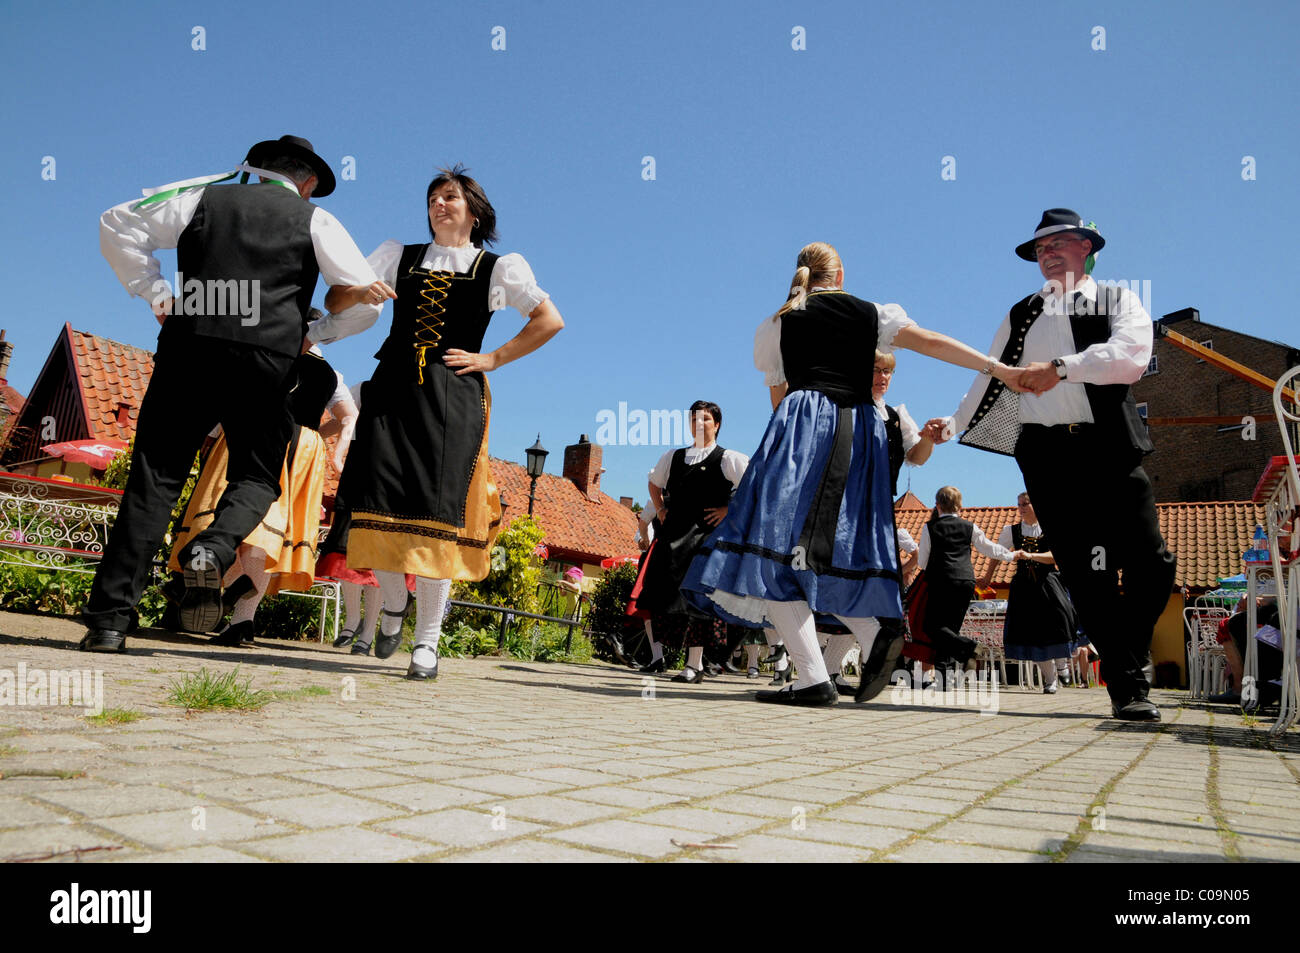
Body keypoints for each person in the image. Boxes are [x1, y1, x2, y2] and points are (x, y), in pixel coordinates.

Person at [681, 242, 1025, 706]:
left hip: (803, 426)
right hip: (859, 433)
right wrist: (997, 367)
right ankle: (868, 636)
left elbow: (779, 403)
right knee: (834, 546)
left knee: (771, 550)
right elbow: (931, 342)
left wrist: (784, 463)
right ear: (840, 274)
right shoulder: (873, 314)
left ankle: (814, 676)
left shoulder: (779, 322)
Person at [83, 135, 381, 652]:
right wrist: (318, 333)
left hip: (189, 347)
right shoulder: (317, 221)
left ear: (256, 168)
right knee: (260, 474)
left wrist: (157, 293)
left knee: (154, 478)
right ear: (307, 184)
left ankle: (110, 622)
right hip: (266, 360)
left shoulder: (203, 196)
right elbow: (367, 296)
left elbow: (116, 221)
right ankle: (216, 547)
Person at [927, 209, 1177, 721]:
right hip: (1048, 457)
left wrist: (1061, 369)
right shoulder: (1021, 313)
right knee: (1088, 575)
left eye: (1059, 242)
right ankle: (1129, 688)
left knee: (1153, 562)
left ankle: (1128, 650)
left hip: (1109, 447)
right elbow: (991, 374)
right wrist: (952, 423)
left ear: (1086, 247)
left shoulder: (1116, 299)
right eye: (1040, 248)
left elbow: (1130, 354)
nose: (1048, 253)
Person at [315, 164, 564, 680]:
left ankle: (426, 643)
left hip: (452, 397)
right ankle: (392, 603)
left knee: (437, 515)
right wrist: (359, 293)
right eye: (433, 197)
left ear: (473, 210)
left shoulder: (496, 267)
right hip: (392, 389)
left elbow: (548, 319)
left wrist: (492, 358)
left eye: (450, 197)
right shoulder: (396, 255)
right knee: (375, 505)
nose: (438, 204)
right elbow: (336, 296)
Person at [166, 345, 356, 646]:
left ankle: (204, 592)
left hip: (255, 436)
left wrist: (212, 436)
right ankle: (241, 618)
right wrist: (325, 441)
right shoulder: (331, 374)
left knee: (234, 520)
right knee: (268, 535)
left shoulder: (269, 351)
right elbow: (349, 417)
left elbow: (227, 399)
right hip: (301, 449)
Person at [821, 349, 934, 699]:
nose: (883, 377)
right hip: (842, 508)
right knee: (835, 584)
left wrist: (929, 436)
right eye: (876, 369)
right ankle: (842, 663)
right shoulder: (844, 406)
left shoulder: (896, 415)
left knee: (863, 588)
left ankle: (833, 669)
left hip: (878, 514)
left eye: (888, 371)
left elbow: (916, 457)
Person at [627, 401, 750, 683]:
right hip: (673, 538)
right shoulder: (674, 457)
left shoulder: (728, 458)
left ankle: (693, 666)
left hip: (707, 538)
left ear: (716, 424)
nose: (698, 423)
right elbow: (654, 483)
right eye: (693, 418)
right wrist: (659, 509)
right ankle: (674, 659)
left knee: (698, 601)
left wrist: (729, 510)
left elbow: (752, 486)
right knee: (665, 597)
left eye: (705, 419)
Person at [914, 486, 1019, 679]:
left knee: (931, 626)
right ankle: (944, 678)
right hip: (965, 581)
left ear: (937, 505)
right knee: (950, 629)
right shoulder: (970, 527)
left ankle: (968, 647)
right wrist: (1011, 555)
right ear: (960, 506)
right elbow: (989, 548)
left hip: (940, 581)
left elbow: (922, 562)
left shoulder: (930, 527)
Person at [977, 491, 1074, 692]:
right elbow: (997, 554)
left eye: (1025, 504)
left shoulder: (1050, 527)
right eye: (1019, 504)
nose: (1020, 508)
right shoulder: (1010, 531)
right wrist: (987, 577)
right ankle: (1050, 680)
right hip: (1024, 585)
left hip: (1049, 581)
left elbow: (1057, 556)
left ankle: (1062, 663)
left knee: (1061, 618)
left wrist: (1030, 555)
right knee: (1032, 631)